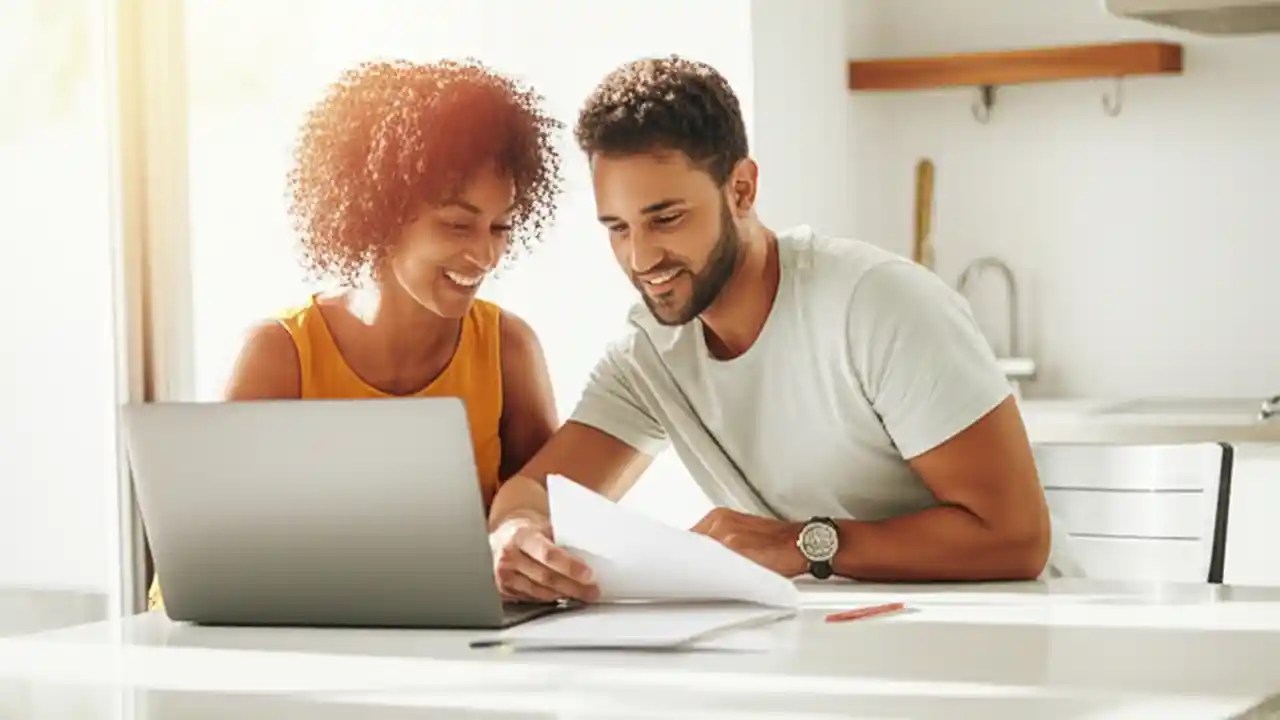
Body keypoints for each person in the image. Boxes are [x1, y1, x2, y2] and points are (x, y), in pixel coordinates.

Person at [488, 56, 1067, 604]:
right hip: (849, 640)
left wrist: (800, 543)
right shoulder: (648, 355)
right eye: (617, 227)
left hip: (1011, 628)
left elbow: (1015, 537)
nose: (640, 258)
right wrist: (516, 536)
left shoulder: (876, 305)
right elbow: (536, 492)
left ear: (741, 189)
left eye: (666, 219)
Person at [148, 59, 564, 610]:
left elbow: (546, 519)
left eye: (500, 226)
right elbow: (198, 575)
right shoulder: (279, 355)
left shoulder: (507, 348)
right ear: (380, 214)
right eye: (458, 224)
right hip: (307, 650)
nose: (485, 254)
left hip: (466, 655)